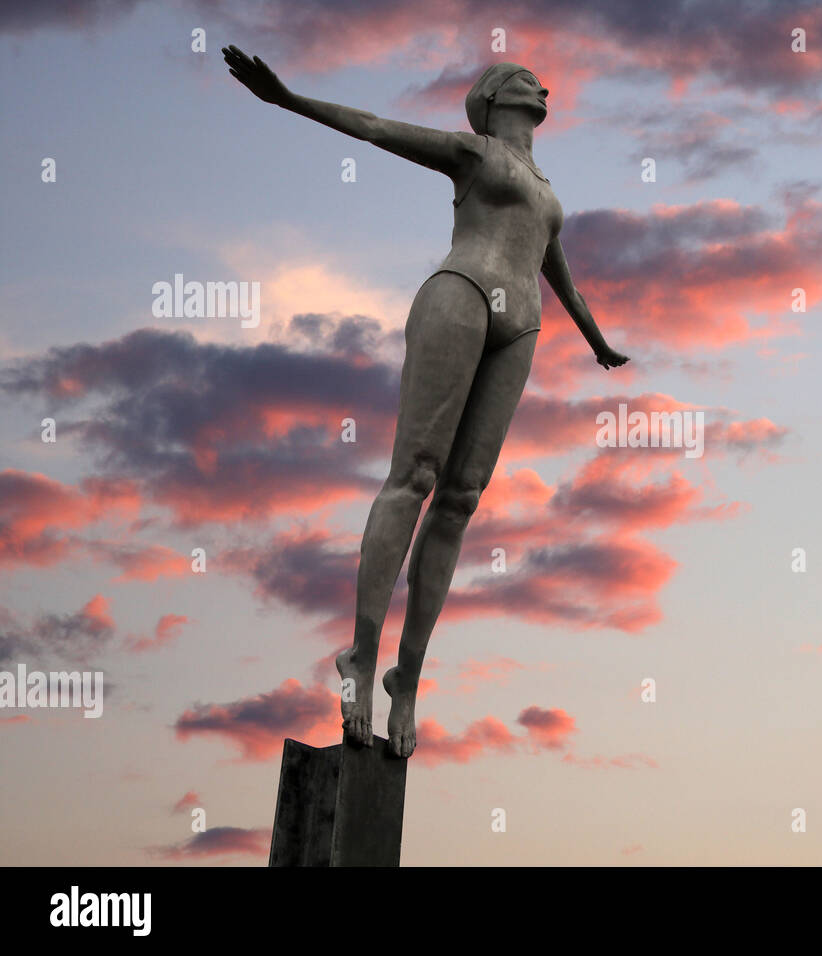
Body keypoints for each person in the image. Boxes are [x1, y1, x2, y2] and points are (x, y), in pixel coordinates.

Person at [223, 47, 629, 757]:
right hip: (462, 293)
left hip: (521, 323)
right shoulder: (475, 154)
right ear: (499, 96)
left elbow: (564, 281)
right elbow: (377, 128)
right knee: (415, 475)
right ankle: (360, 655)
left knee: (462, 499)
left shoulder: (547, 192)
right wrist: (286, 99)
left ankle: (406, 678)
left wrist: (596, 340)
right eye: (529, 79)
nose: (545, 86)